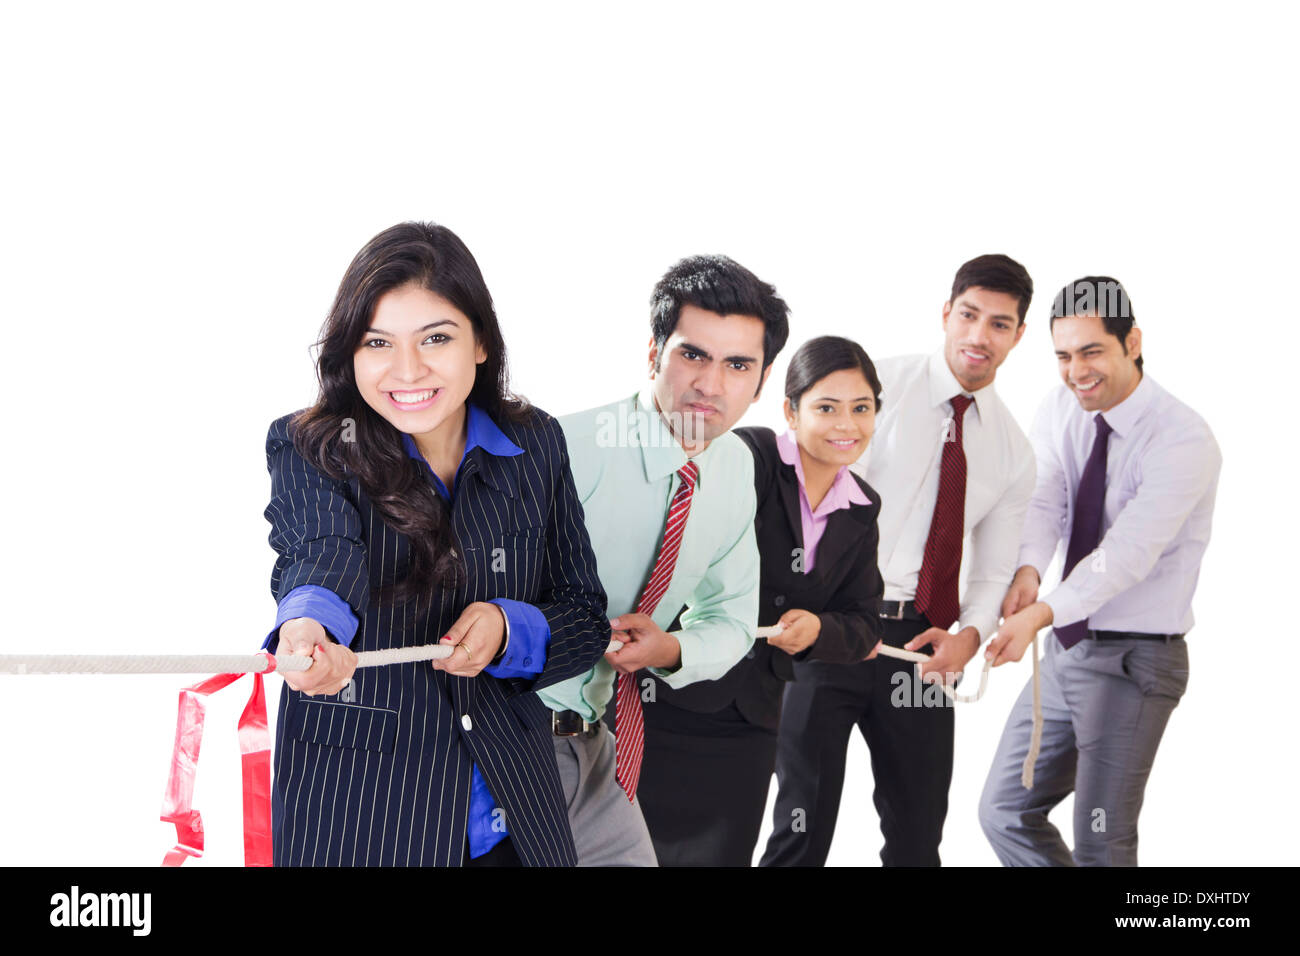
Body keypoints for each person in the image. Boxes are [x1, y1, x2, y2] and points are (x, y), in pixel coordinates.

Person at [261, 221, 609, 867]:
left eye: (437, 338)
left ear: (480, 343)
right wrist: (310, 627)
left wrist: (512, 629)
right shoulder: (312, 444)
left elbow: (584, 617)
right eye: (377, 343)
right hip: (365, 815)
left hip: (515, 812)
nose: (408, 370)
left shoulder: (535, 445)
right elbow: (320, 548)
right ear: (350, 354)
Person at [761, 254, 1037, 867]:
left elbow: (993, 568)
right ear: (946, 314)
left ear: (1018, 336)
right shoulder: (867, 395)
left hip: (923, 647)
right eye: (968, 315)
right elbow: (797, 492)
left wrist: (971, 635)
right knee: (801, 829)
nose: (978, 336)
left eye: (999, 324)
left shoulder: (1014, 452)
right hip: (829, 629)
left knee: (918, 836)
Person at [539, 254, 789, 866]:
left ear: (761, 380)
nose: (710, 384)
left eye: (738, 365)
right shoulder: (564, 449)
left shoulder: (734, 468)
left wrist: (669, 650)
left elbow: (730, 618)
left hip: (596, 740)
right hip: (512, 728)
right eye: (692, 354)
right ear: (653, 353)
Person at [980, 277, 1220, 866]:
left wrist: (1040, 613)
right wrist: (1030, 569)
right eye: (1063, 355)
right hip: (1067, 649)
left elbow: (1128, 553)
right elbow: (1046, 499)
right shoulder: (1061, 407)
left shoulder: (1183, 438)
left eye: (1092, 352)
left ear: (1131, 342)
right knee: (1005, 812)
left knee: (1101, 839)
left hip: (1134, 660)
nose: (1075, 371)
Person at [632, 336, 885, 866]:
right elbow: (676, 545)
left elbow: (864, 622)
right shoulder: (750, 456)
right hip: (675, 695)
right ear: (791, 411)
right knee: (638, 851)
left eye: (861, 408)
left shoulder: (861, 505)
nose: (847, 425)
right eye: (826, 408)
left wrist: (818, 629)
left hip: (753, 718)